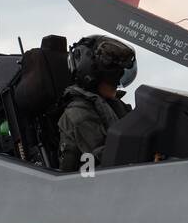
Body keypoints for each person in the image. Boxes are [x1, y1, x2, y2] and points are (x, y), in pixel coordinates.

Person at [57, 35, 138, 172]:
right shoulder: (78, 114)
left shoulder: (112, 105)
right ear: (91, 78)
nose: (117, 85)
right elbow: (108, 157)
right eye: (112, 80)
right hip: (87, 186)